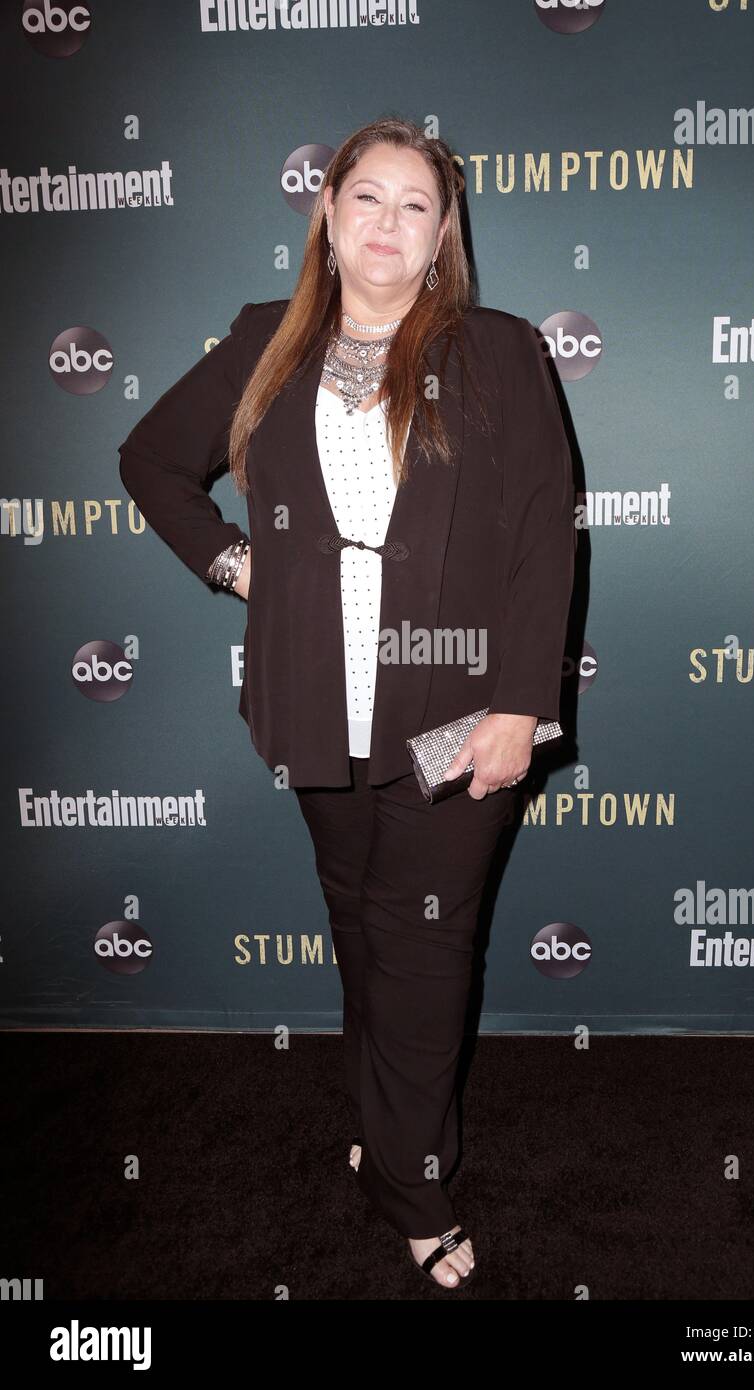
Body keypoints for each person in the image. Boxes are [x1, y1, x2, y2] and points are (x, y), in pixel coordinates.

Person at [118, 115, 575, 1290]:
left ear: (441, 236)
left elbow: (540, 543)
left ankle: (412, 1187)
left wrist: (517, 707)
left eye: (413, 205)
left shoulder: (500, 350)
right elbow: (151, 461)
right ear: (326, 211)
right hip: (321, 713)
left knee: (422, 951)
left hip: (454, 715)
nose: (385, 223)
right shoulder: (264, 341)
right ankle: (380, 1122)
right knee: (363, 933)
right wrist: (234, 562)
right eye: (364, 197)